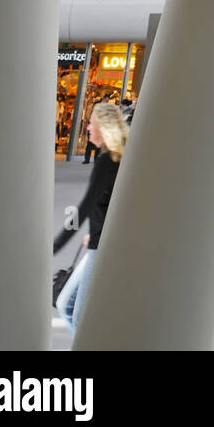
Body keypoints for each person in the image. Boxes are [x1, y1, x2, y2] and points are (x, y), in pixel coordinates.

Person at [54, 102, 128, 335]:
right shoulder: (117, 158)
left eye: (91, 124)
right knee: (66, 304)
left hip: (102, 246)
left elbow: (86, 206)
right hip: (99, 240)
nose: (87, 128)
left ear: (104, 127)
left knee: (78, 316)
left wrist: (55, 245)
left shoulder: (108, 160)